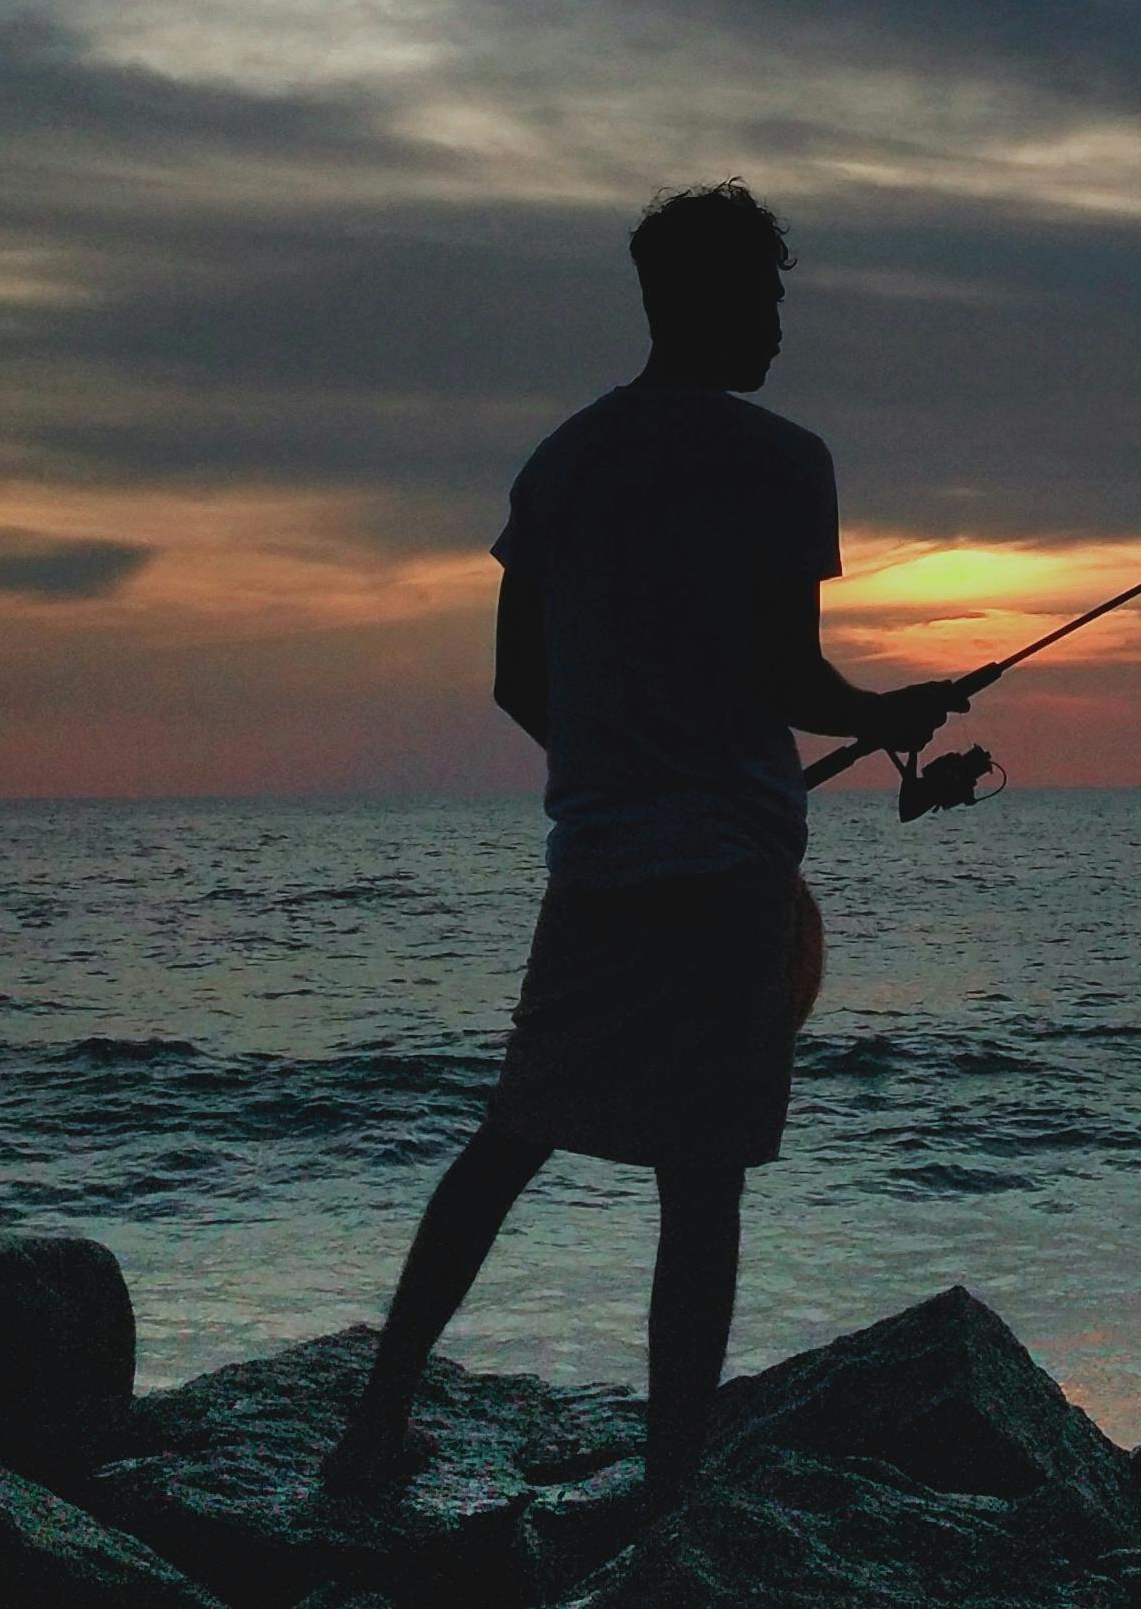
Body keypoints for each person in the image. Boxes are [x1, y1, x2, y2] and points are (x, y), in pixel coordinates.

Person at [322, 181, 966, 1506]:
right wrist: (891, 713)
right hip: (730, 873)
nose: (779, 324)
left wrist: (619, 757)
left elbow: (516, 683)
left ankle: (374, 1421)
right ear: (713, 298)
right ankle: (673, 1488)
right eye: (768, 297)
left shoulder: (562, 464)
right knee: (703, 1185)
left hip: (602, 867)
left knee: (512, 1137)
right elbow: (794, 681)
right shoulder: (787, 462)